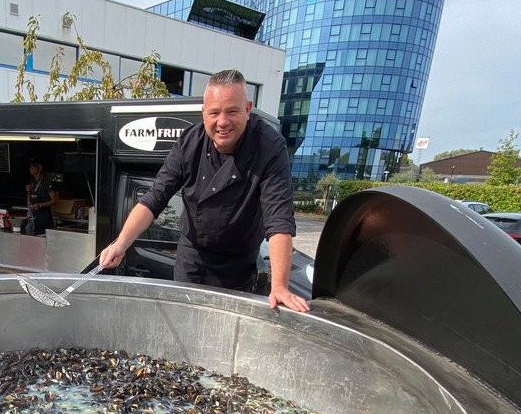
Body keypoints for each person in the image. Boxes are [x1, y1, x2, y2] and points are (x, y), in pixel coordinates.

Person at [99, 69, 311, 313]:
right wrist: (121, 243)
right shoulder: (189, 142)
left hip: (237, 264)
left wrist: (280, 286)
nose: (222, 122)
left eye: (232, 111)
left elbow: (279, 220)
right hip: (191, 256)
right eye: (214, 112)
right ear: (203, 113)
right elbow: (154, 198)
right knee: (184, 318)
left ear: (248, 109)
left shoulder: (269, 147)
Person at [24, 159, 57, 235]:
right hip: (34, 215)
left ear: (39, 168)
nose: (30, 169)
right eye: (30, 167)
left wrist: (40, 205)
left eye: (33, 166)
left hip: (44, 216)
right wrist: (28, 192)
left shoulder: (46, 181)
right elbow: (29, 201)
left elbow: (54, 200)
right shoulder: (32, 182)